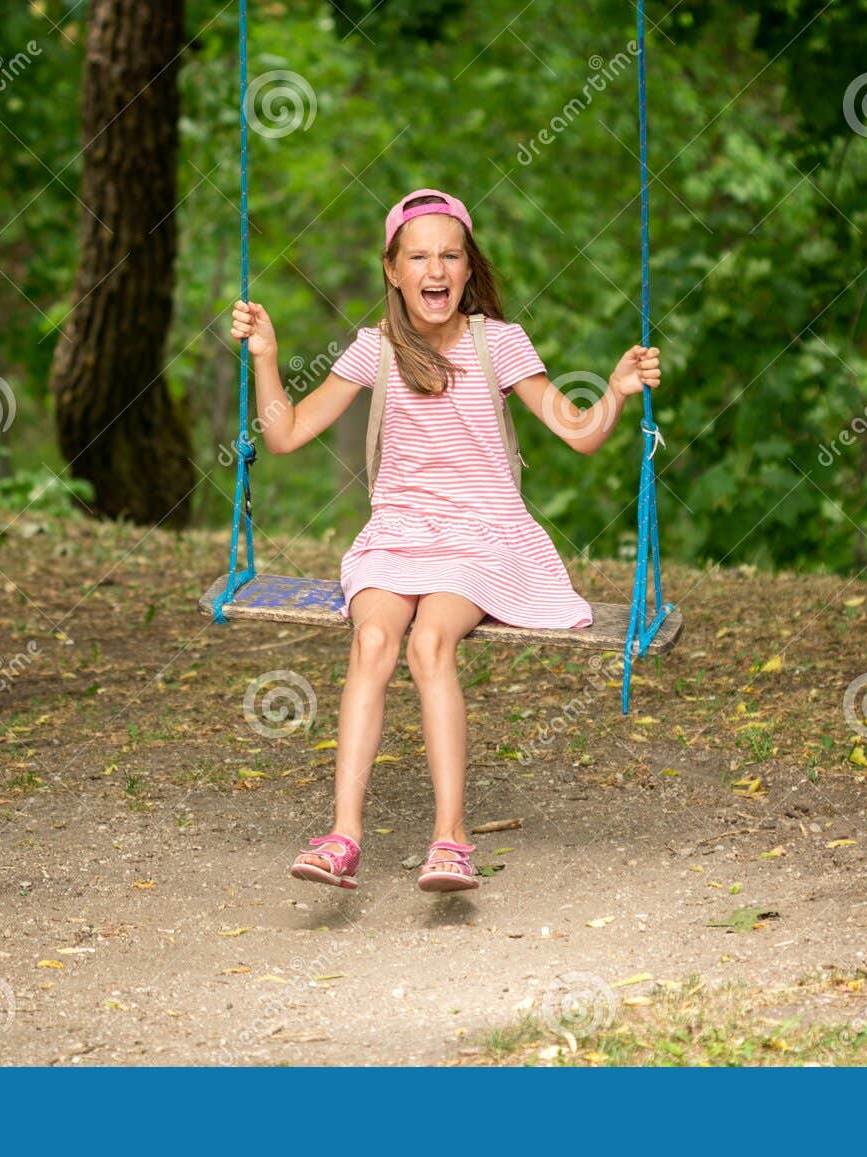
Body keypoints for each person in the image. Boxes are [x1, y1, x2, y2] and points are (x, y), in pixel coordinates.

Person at [229, 188, 660, 893]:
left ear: (468, 268)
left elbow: (579, 433)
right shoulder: (375, 349)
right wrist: (267, 356)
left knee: (430, 641)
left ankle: (451, 838)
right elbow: (285, 433)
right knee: (373, 638)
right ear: (393, 270)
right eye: (419, 257)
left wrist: (613, 391)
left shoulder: (499, 343)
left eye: (451, 256)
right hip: (397, 532)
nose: (436, 270)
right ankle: (343, 835)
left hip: (484, 536)